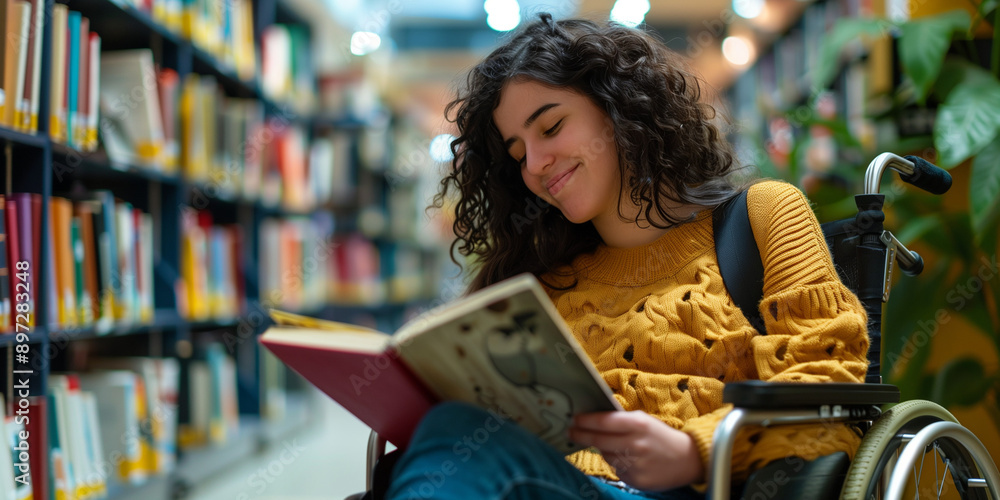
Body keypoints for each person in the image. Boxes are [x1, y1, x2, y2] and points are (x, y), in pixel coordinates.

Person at [385, 12, 870, 500]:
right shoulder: (541, 282)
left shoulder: (762, 214)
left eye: (550, 127)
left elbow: (829, 385)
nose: (534, 165)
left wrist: (694, 449)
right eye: (517, 154)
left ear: (619, 108)